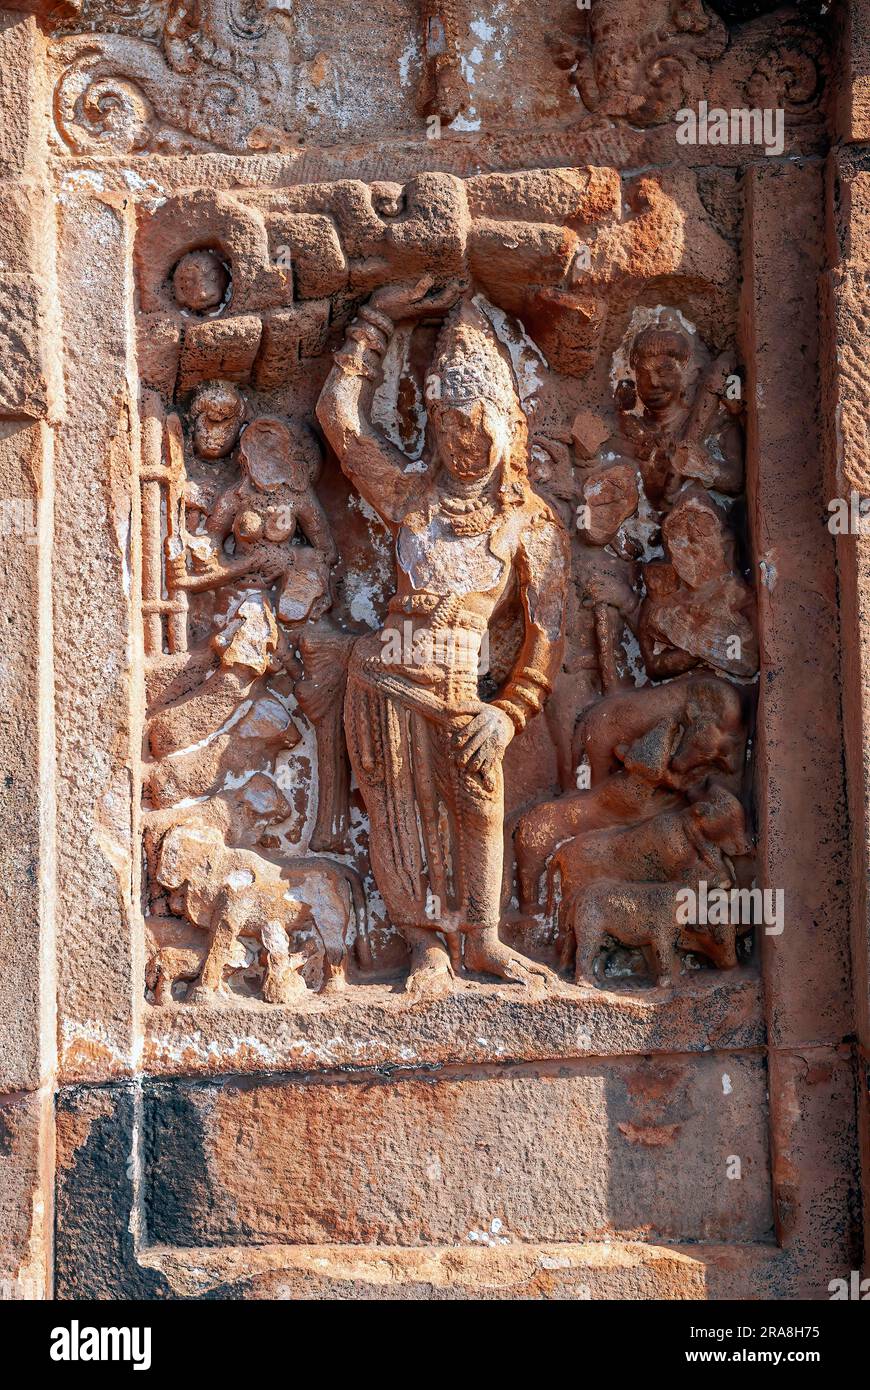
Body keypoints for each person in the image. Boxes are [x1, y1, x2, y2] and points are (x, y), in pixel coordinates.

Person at [316, 279, 569, 993]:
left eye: (477, 424)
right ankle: (425, 944)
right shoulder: (410, 496)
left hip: (461, 687)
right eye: (450, 425)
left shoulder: (530, 522)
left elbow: (546, 633)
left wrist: (510, 709)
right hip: (384, 679)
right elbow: (338, 423)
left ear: (507, 423)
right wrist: (378, 319)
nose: (465, 442)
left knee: (478, 802)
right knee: (398, 813)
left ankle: (483, 941)